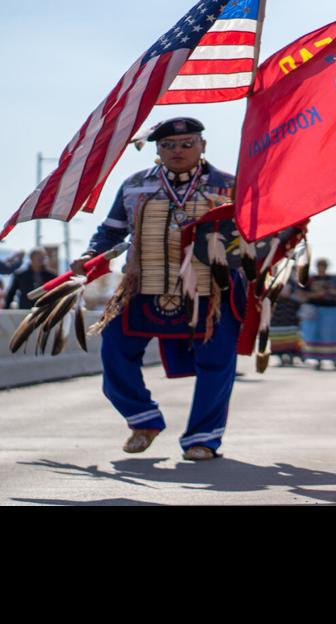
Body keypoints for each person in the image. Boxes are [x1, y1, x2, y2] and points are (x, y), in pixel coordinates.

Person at [75, 118, 248, 460]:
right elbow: (111, 232)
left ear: (203, 146)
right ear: (157, 150)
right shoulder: (134, 185)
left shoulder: (230, 186)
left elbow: (258, 232)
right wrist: (90, 254)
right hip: (144, 284)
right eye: (169, 145)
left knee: (217, 362)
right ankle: (143, 419)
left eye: (186, 143)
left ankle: (203, 439)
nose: (178, 151)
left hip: (211, 292)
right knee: (114, 349)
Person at [298, 260, 336, 369]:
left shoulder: (334, 278)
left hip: (333, 309)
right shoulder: (310, 279)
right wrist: (315, 295)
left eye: (324, 266)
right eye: (320, 266)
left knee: (334, 335)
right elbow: (301, 293)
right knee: (317, 335)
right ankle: (318, 359)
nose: (322, 268)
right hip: (317, 310)